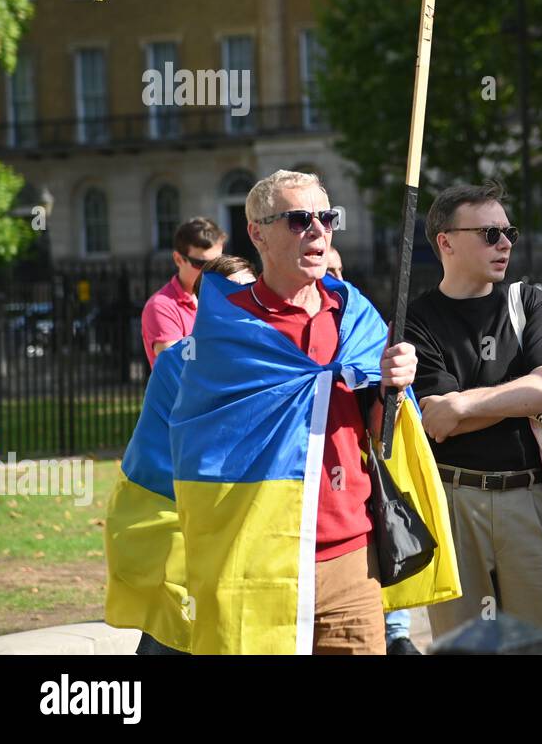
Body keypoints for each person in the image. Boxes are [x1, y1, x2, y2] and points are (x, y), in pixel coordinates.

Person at [168, 170, 427, 654]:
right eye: (299, 219)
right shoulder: (228, 326)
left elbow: (382, 437)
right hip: (258, 557)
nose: (317, 230)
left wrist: (396, 384)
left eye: (326, 218)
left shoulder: (355, 316)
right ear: (257, 232)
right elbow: (196, 442)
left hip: (350, 557)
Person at [403, 181, 542, 653]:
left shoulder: (528, 302)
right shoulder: (414, 320)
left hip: (531, 499)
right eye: (489, 233)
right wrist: (507, 401)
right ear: (446, 242)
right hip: (453, 501)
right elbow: (434, 422)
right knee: (465, 645)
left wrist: (463, 404)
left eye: (509, 233)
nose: (504, 244)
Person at [107, 255, 256, 656]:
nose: (246, 305)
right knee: (175, 632)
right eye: (234, 296)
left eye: (251, 294)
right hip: (167, 514)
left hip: (215, 521)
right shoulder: (183, 361)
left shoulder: (255, 359)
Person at [141, 217, 226, 365]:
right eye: (201, 263)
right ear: (178, 259)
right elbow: (179, 366)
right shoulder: (161, 306)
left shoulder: (224, 299)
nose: (211, 271)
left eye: (217, 263)